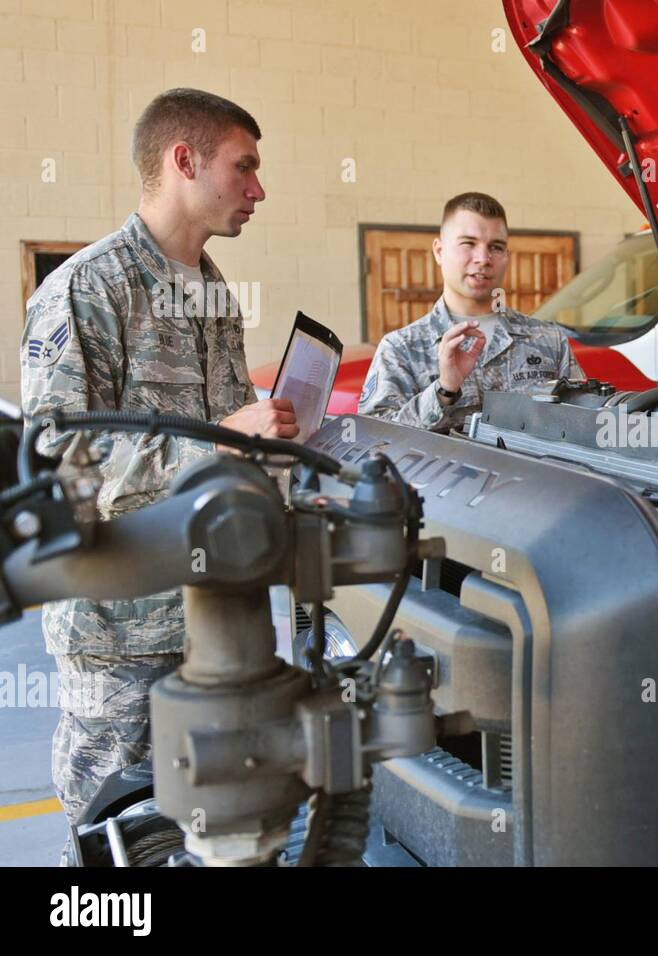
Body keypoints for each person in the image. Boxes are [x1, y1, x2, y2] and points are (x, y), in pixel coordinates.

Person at [20, 87, 297, 861]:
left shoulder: (211, 290)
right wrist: (219, 446)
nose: (258, 189)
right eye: (243, 167)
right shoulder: (88, 290)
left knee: (204, 835)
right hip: (119, 638)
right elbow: (55, 462)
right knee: (115, 846)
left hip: (210, 618)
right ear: (184, 161)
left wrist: (266, 440)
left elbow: (227, 432)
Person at [358, 192, 582, 430]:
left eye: (496, 247)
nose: (483, 258)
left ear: (507, 256)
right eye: (468, 243)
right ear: (439, 251)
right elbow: (375, 441)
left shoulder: (549, 340)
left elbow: (582, 421)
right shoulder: (400, 349)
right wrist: (444, 390)